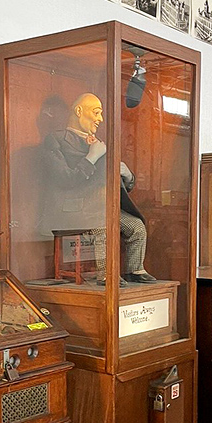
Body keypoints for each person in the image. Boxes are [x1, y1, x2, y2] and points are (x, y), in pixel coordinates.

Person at [41, 92, 155, 286]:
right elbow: (63, 179)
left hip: (103, 206)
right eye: (96, 113)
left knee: (136, 227)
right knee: (103, 223)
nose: (100, 119)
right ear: (78, 111)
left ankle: (134, 269)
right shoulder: (56, 140)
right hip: (75, 208)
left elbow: (112, 183)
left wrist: (128, 175)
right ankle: (106, 273)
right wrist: (91, 158)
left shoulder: (100, 143)